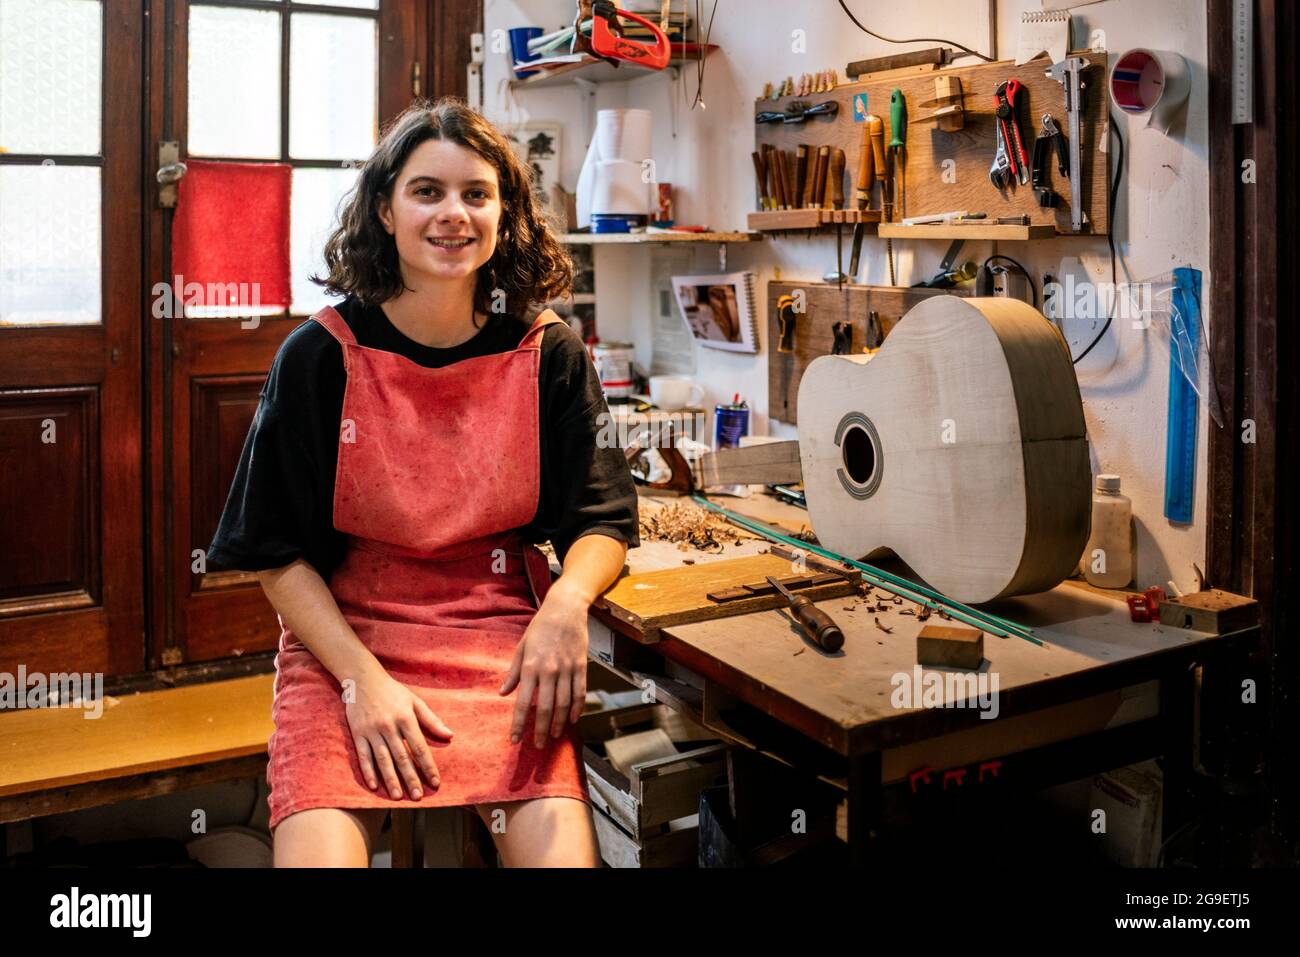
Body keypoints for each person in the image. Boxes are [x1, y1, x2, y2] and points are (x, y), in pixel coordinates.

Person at [206, 98, 640, 867]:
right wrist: (359, 682)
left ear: (506, 213)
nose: (454, 214)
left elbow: (602, 516)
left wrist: (567, 604)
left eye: (477, 193)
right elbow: (274, 551)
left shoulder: (550, 353)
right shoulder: (319, 354)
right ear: (385, 208)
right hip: (345, 640)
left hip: (499, 638)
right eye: (427, 191)